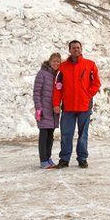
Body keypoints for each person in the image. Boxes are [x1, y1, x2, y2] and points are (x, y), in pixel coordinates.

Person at [52, 40, 101, 169]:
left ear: (81, 49)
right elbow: (57, 88)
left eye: (78, 47)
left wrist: (88, 94)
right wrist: (56, 103)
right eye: (73, 48)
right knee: (66, 134)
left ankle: (82, 158)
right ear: (69, 50)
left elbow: (96, 83)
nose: (76, 50)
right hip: (68, 107)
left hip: (84, 106)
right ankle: (64, 159)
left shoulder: (90, 65)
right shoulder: (62, 67)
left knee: (83, 135)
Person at [33, 52, 62, 169]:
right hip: (44, 110)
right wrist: (38, 108)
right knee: (44, 135)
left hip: (53, 110)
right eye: (54, 61)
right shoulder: (42, 73)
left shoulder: (57, 75)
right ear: (49, 62)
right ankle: (43, 160)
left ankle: (48, 158)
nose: (56, 63)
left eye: (58, 61)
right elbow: (36, 92)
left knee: (50, 135)